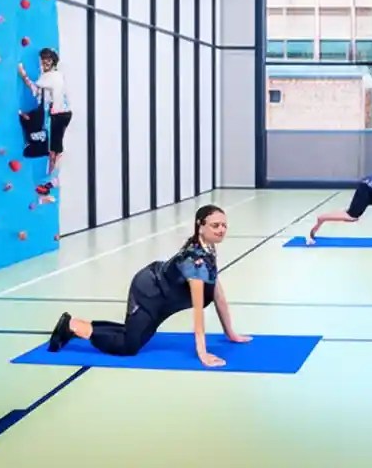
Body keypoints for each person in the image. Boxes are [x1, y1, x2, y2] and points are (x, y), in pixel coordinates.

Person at [46, 204, 251, 367]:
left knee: (136, 335)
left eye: (224, 225)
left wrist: (230, 333)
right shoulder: (195, 261)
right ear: (200, 226)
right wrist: (202, 352)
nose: (221, 230)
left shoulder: (208, 249)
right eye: (215, 225)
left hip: (164, 297)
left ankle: (76, 324)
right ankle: (71, 326)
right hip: (149, 292)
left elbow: (217, 293)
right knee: (128, 346)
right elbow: (198, 310)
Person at [18, 48, 72, 177]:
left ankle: (53, 173)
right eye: (43, 60)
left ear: (53, 61)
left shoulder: (52, 76)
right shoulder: (53, 76)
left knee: (55, 147)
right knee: (54, 146)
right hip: (59, 113)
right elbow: (37, 91)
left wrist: (23, 73)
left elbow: (36, 87)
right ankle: (52, 172)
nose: (44, 62)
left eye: (48, 60)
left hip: (58, 115)